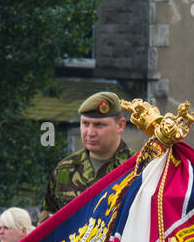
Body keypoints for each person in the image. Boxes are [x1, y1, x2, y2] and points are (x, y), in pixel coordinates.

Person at [40, 92, 133, 223]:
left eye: (99, 125)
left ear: (120, 125)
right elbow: (46, 225)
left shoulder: (138, 167)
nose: (90, 133)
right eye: (85, 124)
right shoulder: (64, 170)